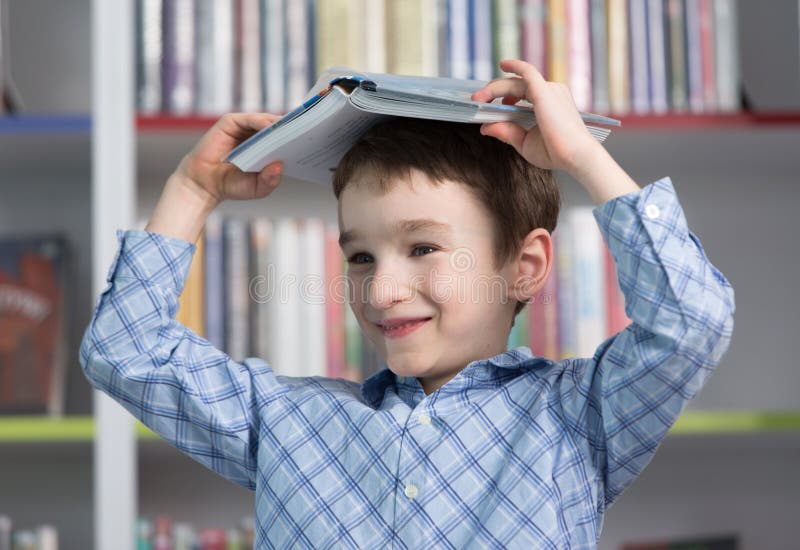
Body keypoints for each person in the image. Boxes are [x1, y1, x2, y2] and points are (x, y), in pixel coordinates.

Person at [79, 59, 735, 548]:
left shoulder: (578, 417)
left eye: (422, 247)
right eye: (360, 256)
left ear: (525, 267)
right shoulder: (285, 423)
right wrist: (193, 193)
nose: (383, 290)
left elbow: (691, 321)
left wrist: (582, 156)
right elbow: (124, 349)